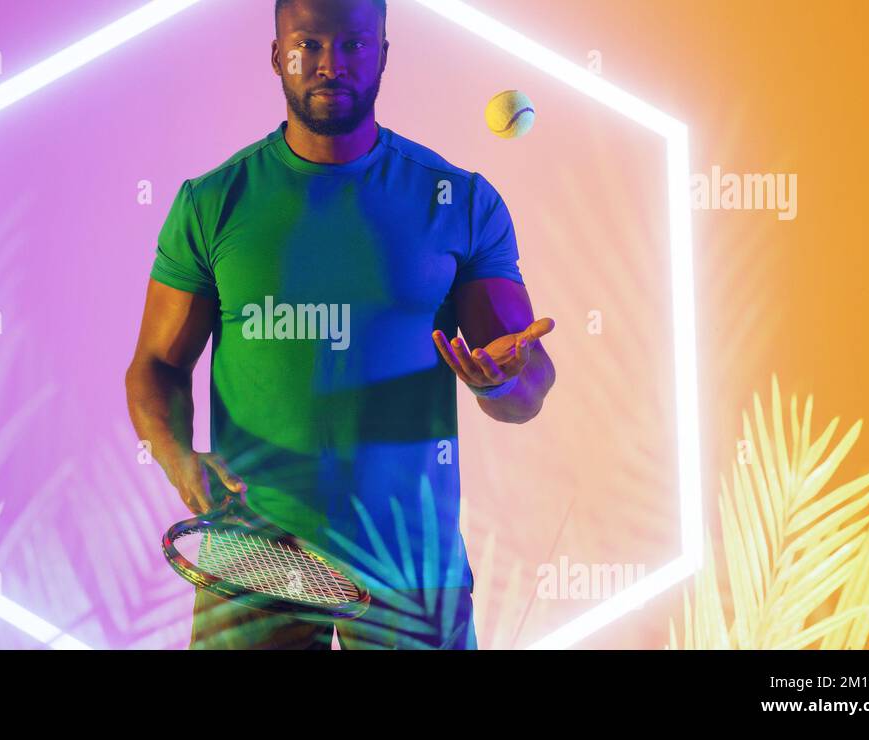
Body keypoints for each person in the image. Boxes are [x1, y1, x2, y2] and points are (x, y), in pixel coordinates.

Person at [125, 0, 556, 649]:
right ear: (277, 55)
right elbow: (156, 365)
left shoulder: (459, 201)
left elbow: (525, 385)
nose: (332, 64)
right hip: (252, 554)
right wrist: (178, 457)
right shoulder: (213, 203)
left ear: (383, 53)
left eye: (355, 45)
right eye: (310, 45)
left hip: (410, 567)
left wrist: (502, 381)